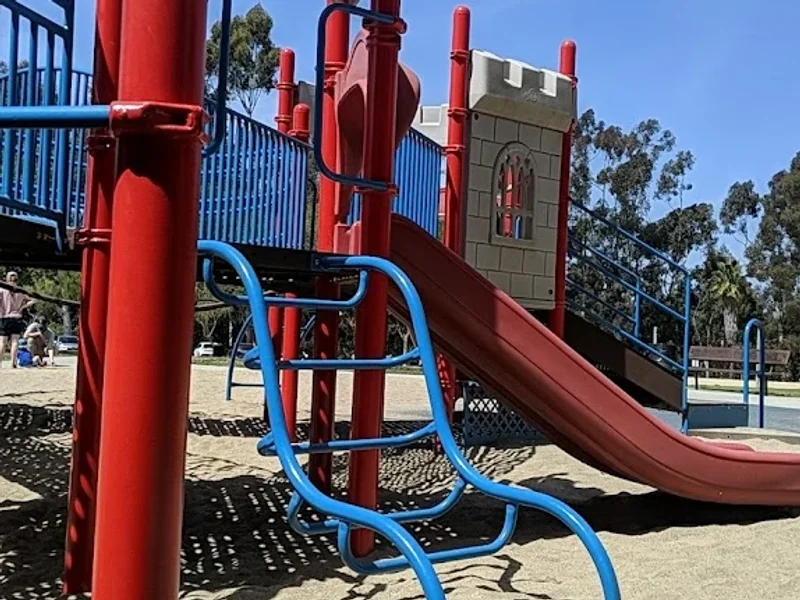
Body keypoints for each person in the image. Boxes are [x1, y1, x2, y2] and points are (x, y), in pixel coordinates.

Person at [0, 271, 36, 368]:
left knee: (2, 341)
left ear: (6, 279)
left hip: (4, 317)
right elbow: (34, 299)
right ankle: (13, 363)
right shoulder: (20, 291)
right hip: (17, 317)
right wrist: (23, 307)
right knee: (14, 341)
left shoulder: (2, 290)